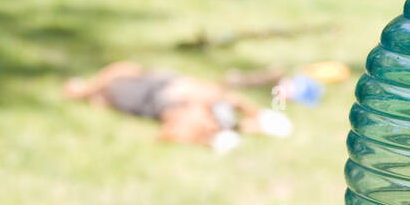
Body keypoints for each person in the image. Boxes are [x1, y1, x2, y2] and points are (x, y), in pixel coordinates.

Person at [64, 62, 293, 151]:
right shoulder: (120, 85)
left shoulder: (206, 102)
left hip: (160, 92)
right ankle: (82, 90)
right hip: (152, 94)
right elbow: (169, 133)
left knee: (211, 99)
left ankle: (260, 118)